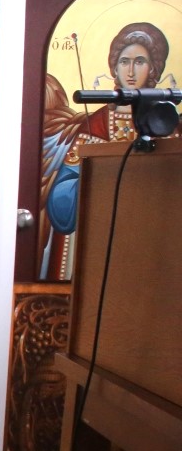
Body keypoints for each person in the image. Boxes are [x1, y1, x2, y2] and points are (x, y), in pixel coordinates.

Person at [38, 21, 169, 280]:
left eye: (140, 62)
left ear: (153, 67)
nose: (130, 71)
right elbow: (62, 212)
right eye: (124, 62)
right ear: (114, 67)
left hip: (155, 242)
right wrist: (86, 182)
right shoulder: (94, 126)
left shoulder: (168, 128)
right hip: (99, 240)